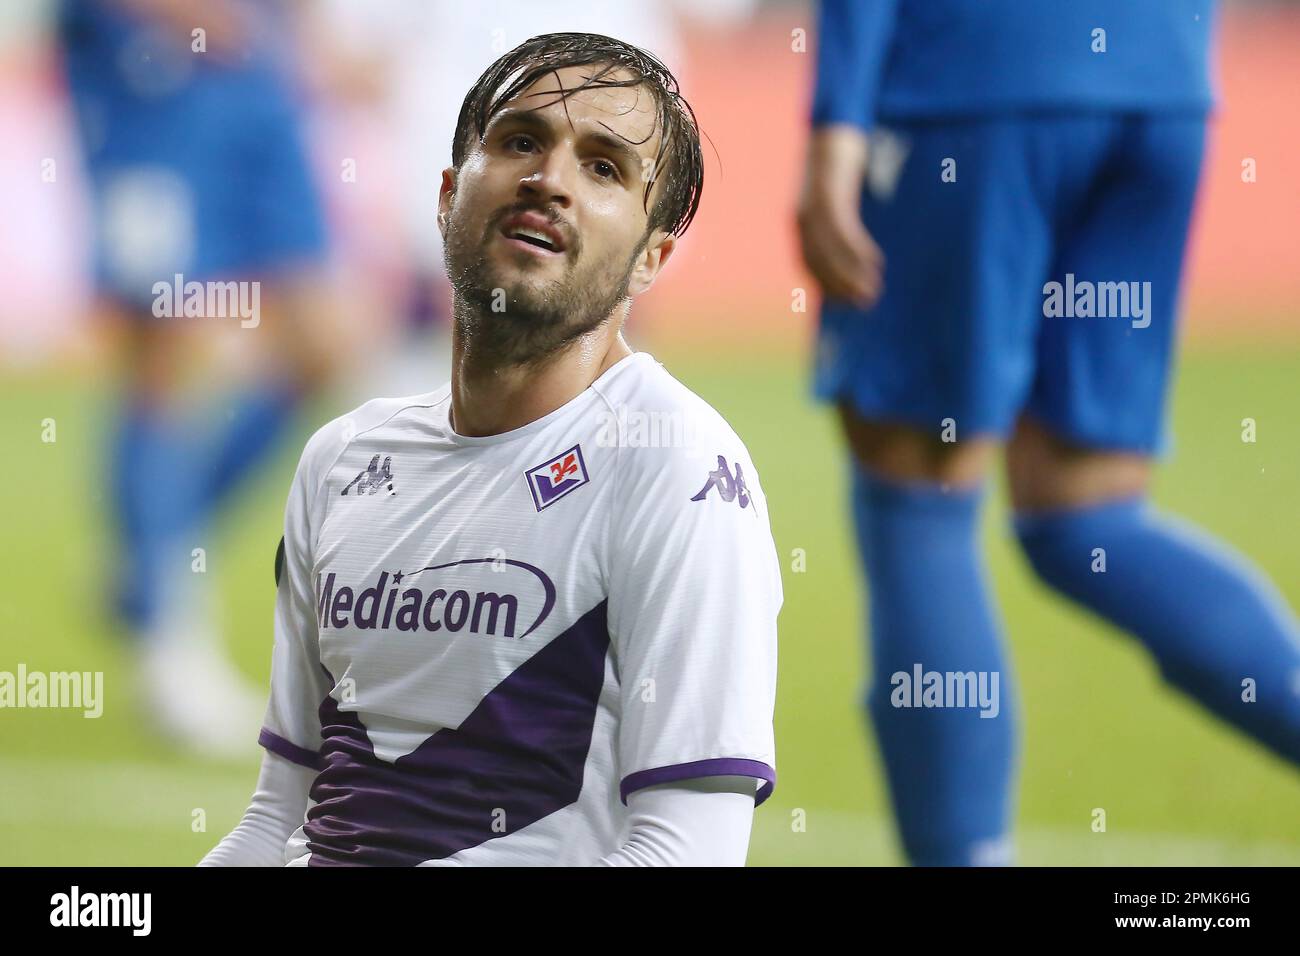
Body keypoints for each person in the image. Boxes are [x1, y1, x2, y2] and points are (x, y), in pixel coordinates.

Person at [202, 32, 781, 866]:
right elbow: (274, 821)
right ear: (445, 196)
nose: (550, 180)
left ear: (651, 259)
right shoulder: (340, 461)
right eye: (520, 141)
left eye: (605, 168)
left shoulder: (677, 467)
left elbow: (684, 851)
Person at [799, 0, 1300, 865]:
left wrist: (837, 124)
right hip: (1162, 87)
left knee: (920, 491)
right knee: (1085, 514)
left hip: (970, 82)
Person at [58, 0, 345, 755]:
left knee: (326, 345)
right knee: (167, 352)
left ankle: (149, 560)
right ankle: (170, 650)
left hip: (257, 77)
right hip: (152, 71)